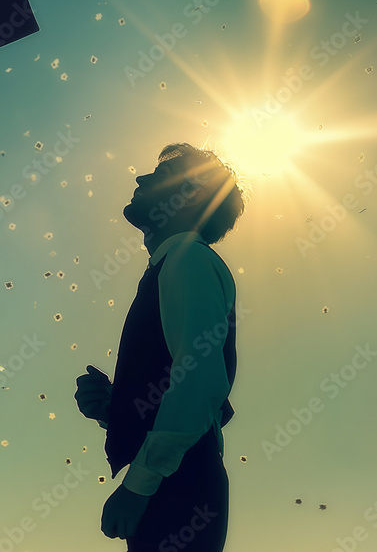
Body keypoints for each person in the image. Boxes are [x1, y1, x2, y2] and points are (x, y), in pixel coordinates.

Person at [74, 142, 250, 551]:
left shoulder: (186, 259)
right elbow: (181, 380)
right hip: (179, 486)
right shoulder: (175, 266)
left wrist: (139, 485)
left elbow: (200, 382)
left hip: (179, 487)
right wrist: (115, 409)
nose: (141, 178)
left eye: (162, 175)